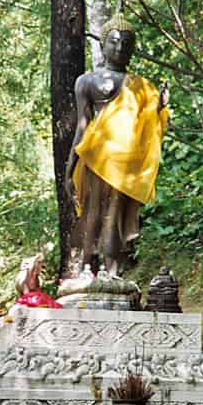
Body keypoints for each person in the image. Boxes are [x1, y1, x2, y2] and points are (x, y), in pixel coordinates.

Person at [67, 20, 169, 277]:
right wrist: (70, 168)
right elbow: (83, 126)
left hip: (124, 163)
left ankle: (112, 270)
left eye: (126, 43)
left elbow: (146, 124)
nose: (120, 47)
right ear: (103, 44)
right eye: (114, 40)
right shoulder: (86, 81)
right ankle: (87, 267)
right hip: (96, 156)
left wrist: (159, 108)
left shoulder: (142, 86)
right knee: (92, 213)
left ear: (133, 48)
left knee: (115, 215)